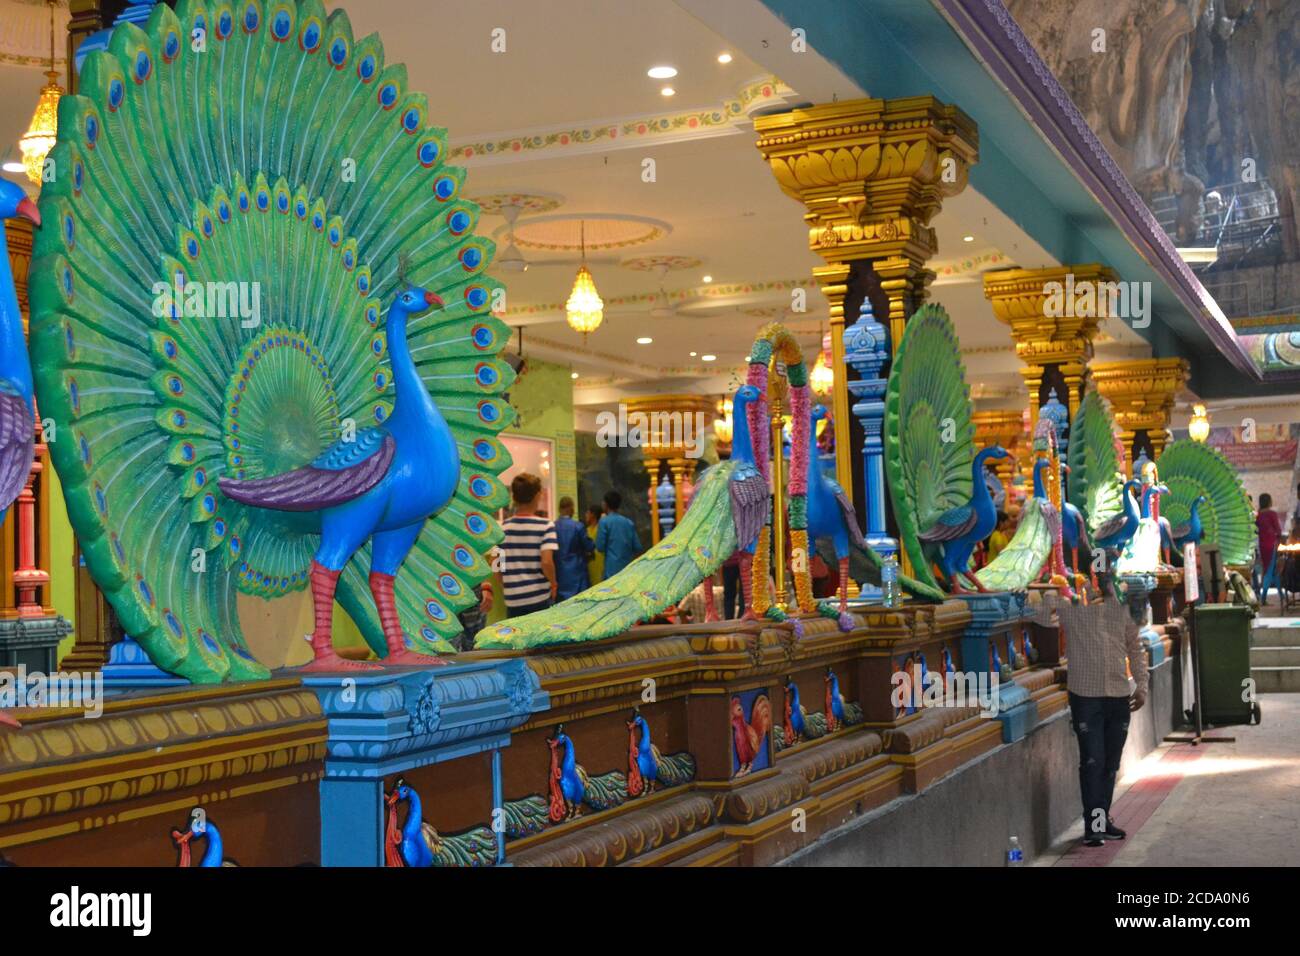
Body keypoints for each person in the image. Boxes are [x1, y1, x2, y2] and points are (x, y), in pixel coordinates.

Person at [1038, 571, 1148, 848]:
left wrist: (1142, 686)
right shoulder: (1073, 609)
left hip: (1118, 694)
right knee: (1092, 761)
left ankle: (1101, 820)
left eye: (1106, 579)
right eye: (1096, 580)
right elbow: (1039, 614)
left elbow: (1136, 650)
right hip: (1086, 696)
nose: (1102, 586)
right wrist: (1057, 591)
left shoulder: (1122, 611)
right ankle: (1094, 826)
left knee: (1110, 763)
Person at [496, 473, 558, 617]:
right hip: (539, 598)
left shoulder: (501, 529)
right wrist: (554, 583)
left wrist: (506, 586)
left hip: (512, 600)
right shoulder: (545, 526)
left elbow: (495, 564)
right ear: (537, 495)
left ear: (514, 497)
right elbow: (547, 562)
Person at [553, 496, 594, 601]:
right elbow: (589, 546)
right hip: (577, 574)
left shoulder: (552, 526)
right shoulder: (578, 526)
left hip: (559, 574)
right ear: (571, 508)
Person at [596, 490, 642, 578]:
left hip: (611, 569)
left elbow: (600, 547)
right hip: (627, 568)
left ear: (606, 504)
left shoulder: (604, 522)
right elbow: (637, 547)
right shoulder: (628, 522)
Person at [1257, 493, 1283, 605]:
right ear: (1269, 502)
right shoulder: (1272, 514)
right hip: (1271, 544)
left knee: (1271, 569)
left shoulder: (1258, 516)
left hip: (1262, 545)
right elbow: (1279, 530)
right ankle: (1263, 598)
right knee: (1269, 570)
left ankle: (1281, 596)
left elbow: (1256, 530)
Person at [585, 505, 604, 586]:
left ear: (593, 514)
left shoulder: (601, 528)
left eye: (588, 513)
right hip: (590, 564)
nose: (586, 515)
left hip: (600, 563)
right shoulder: (586, 530)